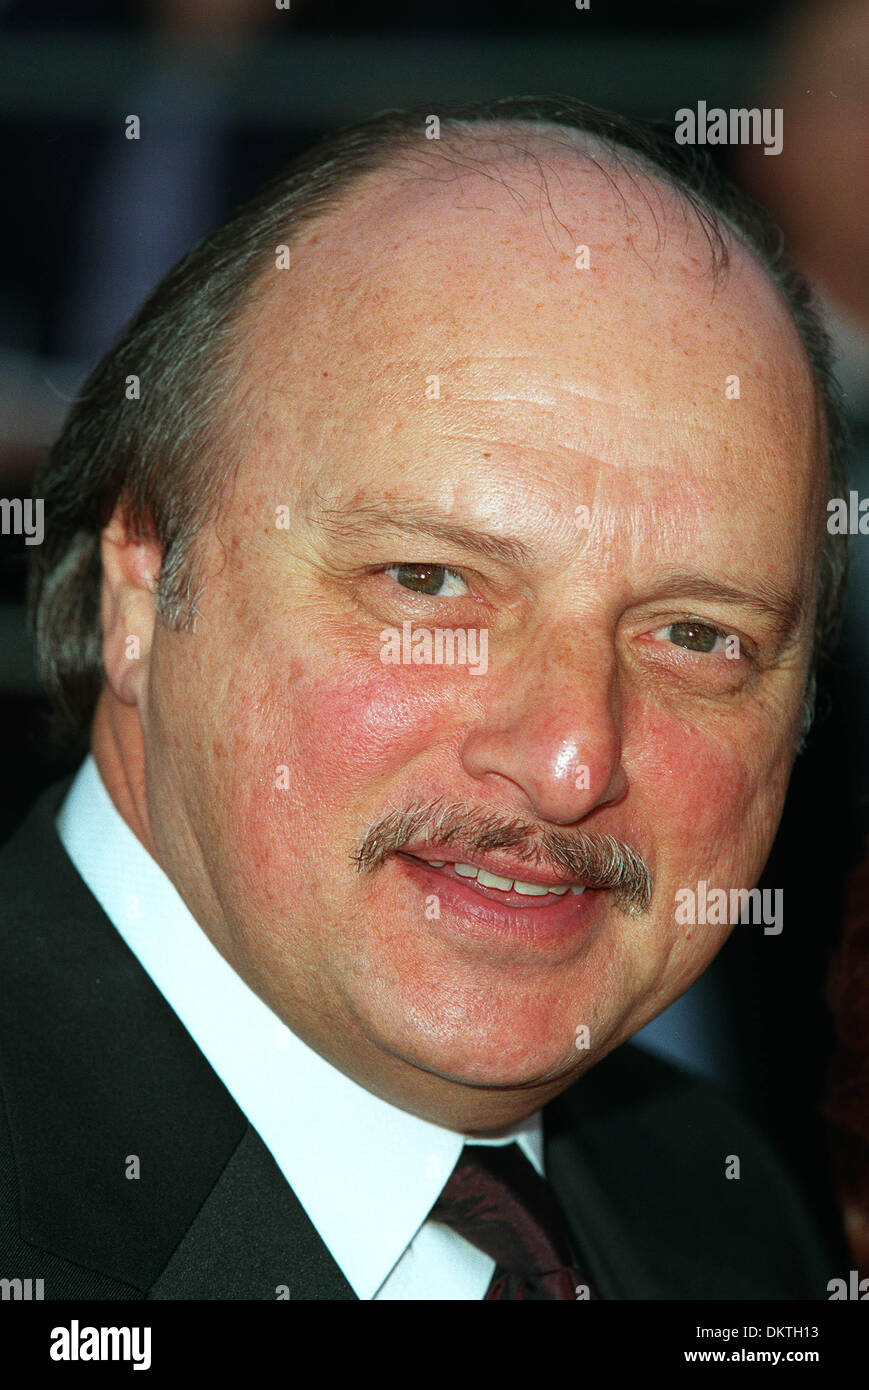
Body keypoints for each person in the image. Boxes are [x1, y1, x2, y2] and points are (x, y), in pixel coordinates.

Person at [0, 96, 850, 1299]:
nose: (569, 755)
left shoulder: (722, 1208)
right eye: (429, 581)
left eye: (694, 634)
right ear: (143, 584)